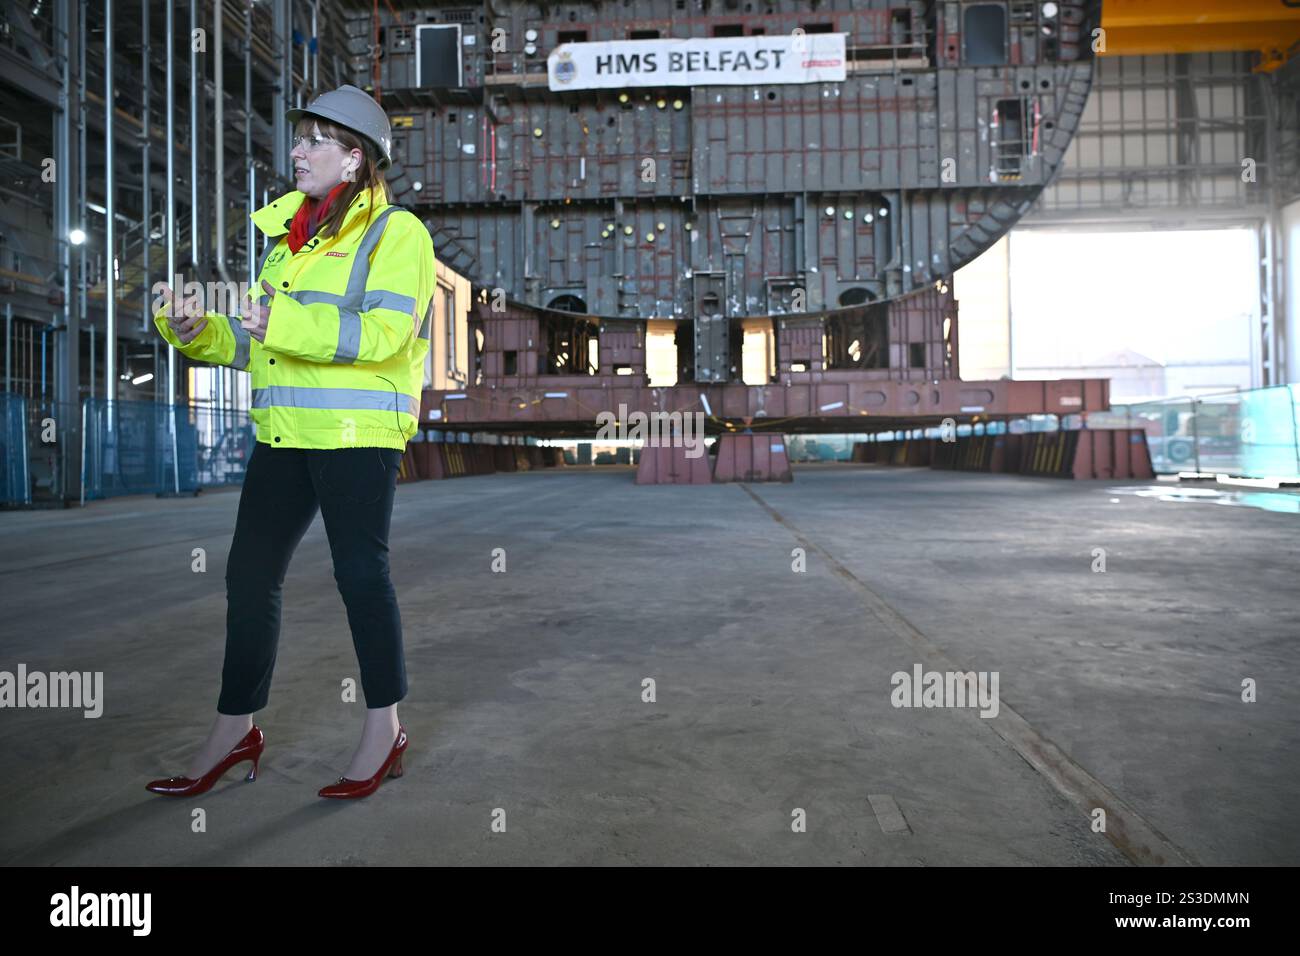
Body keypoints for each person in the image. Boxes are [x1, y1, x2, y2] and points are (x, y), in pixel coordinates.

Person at [145, 85, 435, 799]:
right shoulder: (289, 241)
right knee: (248, 578)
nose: (297, 151)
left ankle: (384, 728)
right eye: (299, 138)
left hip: (356, 435)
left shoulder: (397, 235)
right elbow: (261, 352)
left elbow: (382, 336)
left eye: (314, 140)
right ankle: (235, 731)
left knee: (361, 578)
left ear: (355, 158)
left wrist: (280, 324)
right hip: (284, 435)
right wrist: (196, 334)